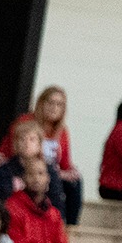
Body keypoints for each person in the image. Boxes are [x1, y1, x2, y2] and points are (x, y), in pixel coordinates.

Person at [29, 85, 83, 225]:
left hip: (54, 173)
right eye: (51, 103)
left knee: (75, 181)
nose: (54, 108)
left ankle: (70, 225)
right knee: (52, 175)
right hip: (31, 171)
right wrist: (59, 173)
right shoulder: (27, 122)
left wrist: (71, 171)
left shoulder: (62, 131)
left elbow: (64, 163)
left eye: (59, 105)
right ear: (41, 103)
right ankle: (57, 224)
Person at [4, 156, 71, 243]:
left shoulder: (54, 214)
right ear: (23, 178)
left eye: (40, 173)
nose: (36, 178)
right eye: (31, 174)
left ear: (48, 178)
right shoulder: (12, 207)